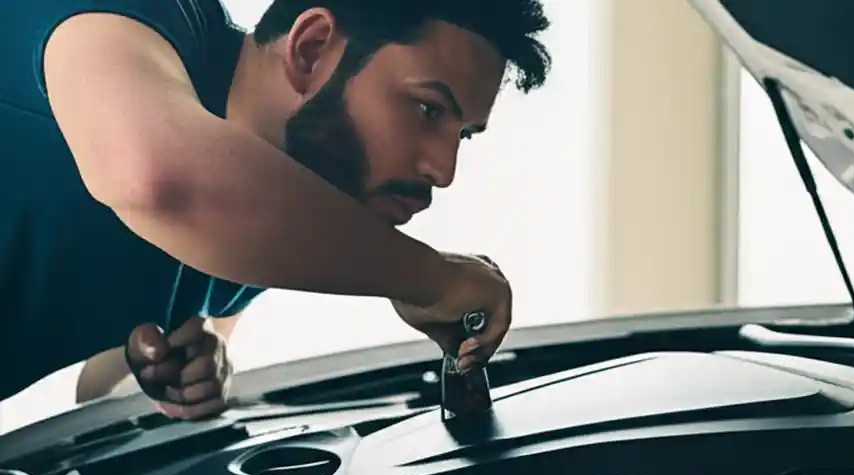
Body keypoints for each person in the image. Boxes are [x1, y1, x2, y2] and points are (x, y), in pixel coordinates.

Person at [0, 0, 551, 420]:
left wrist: (170, 375)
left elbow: (101, 386)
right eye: (427, 108)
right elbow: (157, 180)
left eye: (465, 136)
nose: (444, 169)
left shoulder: (267, 225)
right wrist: (428, 278)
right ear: (311, 49)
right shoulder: (133, 17)